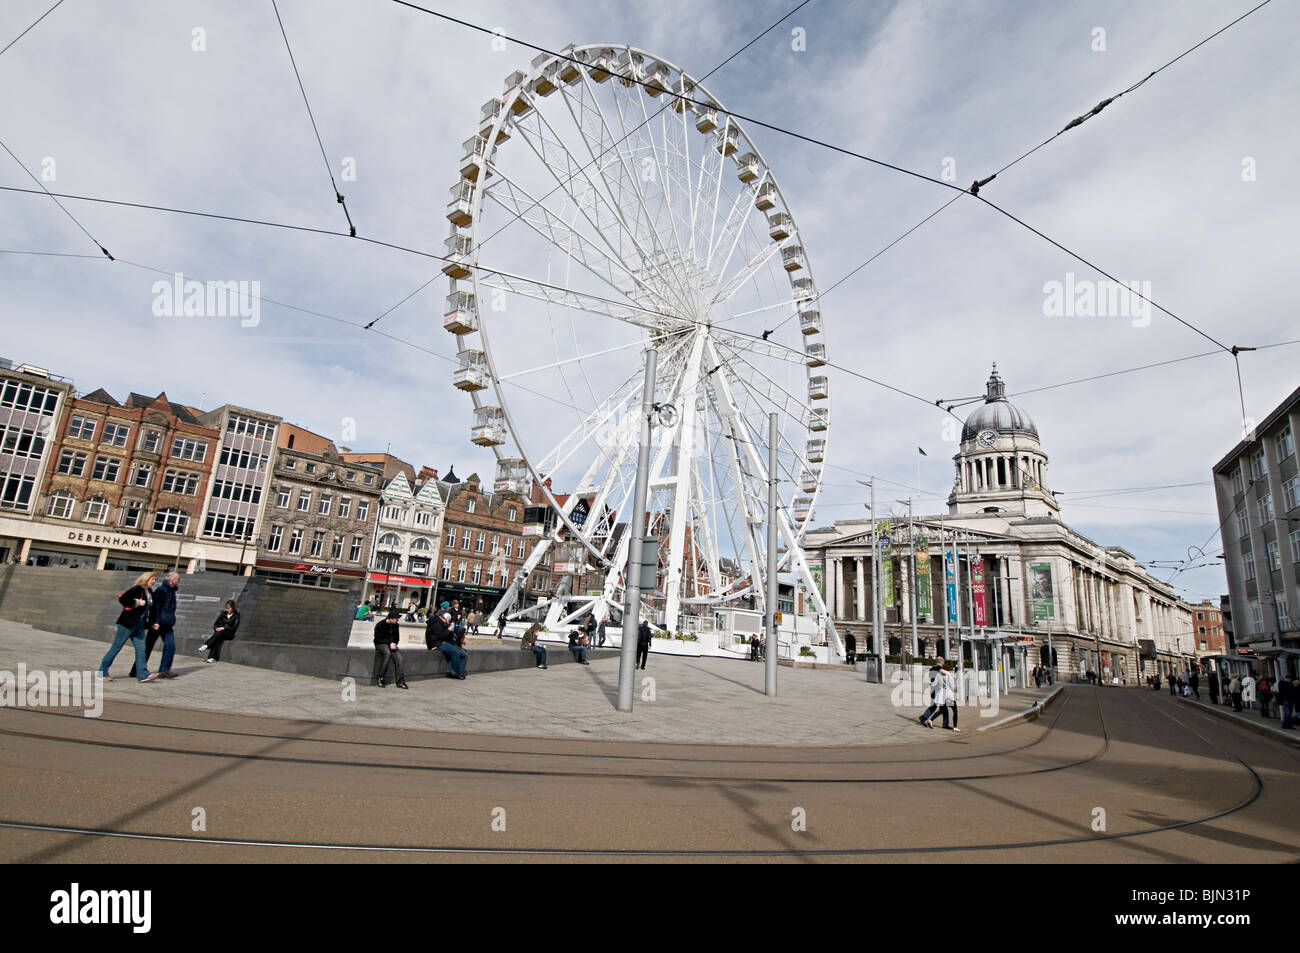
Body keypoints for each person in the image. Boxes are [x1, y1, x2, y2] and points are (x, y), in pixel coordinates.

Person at [100, 571, 160, 682]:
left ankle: (142, 674)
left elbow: (152, 609)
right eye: (152, 579)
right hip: (127, 624)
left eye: (155, 580)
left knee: (141, 649)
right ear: (146, 579)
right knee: (116, 647)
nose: (154, 581)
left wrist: (153, 622)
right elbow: (123, 599)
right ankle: (102, 672)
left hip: (139, 626)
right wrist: (137, 603)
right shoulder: (137, 588)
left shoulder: (150, 592)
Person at [129, 571, 180, 679]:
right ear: (172, 580)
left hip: (167, 624)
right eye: (178, 579)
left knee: (170, 646)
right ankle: (135, 670)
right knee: (148, 647)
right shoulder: (161, 591)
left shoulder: (171, 591)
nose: (179, 581)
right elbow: (155, 608)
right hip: (158, 623)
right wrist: (155, 621)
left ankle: (164, 670)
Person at [373, 608, 409, 689]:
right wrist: (389, 643)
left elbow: (397, 638)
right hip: (380, 644)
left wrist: (395, 643)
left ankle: (400, 681)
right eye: (396, 619)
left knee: (400, 658)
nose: (397, 620)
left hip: (391, 644)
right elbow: (377, 638)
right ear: (391, 618)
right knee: (387, 653)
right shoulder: (380, 625)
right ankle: (380, 677)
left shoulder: (396, 625)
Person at [429, 605, 467, 679]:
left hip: (441, 643)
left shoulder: (440, 622)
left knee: (458, 652)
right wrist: (449, 630)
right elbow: (441, 635)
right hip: (438, 644)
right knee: (456, 652)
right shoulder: (439, 623)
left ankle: (454, 671)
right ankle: (457, 672)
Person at [918, 658, 946, 729]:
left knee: (934, 705)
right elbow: (944, 673)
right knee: (937, 706)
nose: (944, 663)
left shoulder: (932, 668)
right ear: (941, 662)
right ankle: (925, 718)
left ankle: (924, 717)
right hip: (936, 689)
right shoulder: (938, 668)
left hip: (934, 688)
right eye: (943, 662)